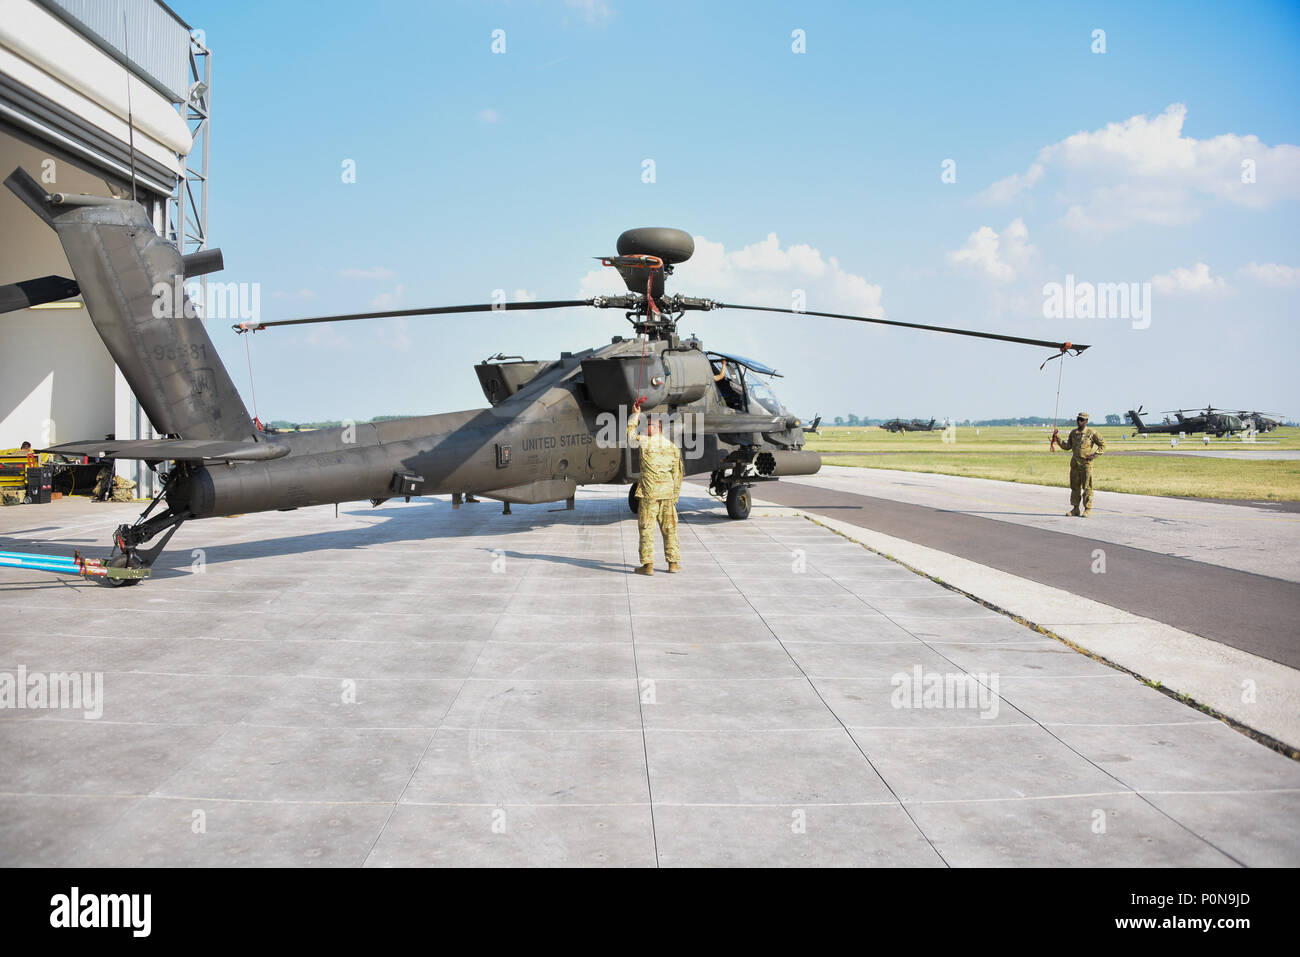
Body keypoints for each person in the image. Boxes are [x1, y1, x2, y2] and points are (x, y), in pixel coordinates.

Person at [626, 397, 683, 575]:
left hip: (649, 495)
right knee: (670, 529)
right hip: (667, 494)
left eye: (647, 426)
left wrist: (635, 416)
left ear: (654, 427)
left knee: (646, 529)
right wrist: (675, 496)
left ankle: (647, 565)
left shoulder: (645, 442)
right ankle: (673, 563)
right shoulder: (673, 447)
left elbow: (629, 436)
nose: (645, 429)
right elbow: (677, 475)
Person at [1053, 411, 1106, 517]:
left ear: (1086, 421)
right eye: (1078, 419)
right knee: (1075, 487)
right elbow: (1067, 446)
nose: (1079, 421)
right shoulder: (1073, 433)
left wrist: (1094, 455)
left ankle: (1087, 509)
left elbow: (1102, 445)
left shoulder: (1092, 433)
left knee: (1087, 487)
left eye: (1081, 420)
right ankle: (1075, 508)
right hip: (1075, 464)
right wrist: (1057, 439)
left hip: (1086, 464)